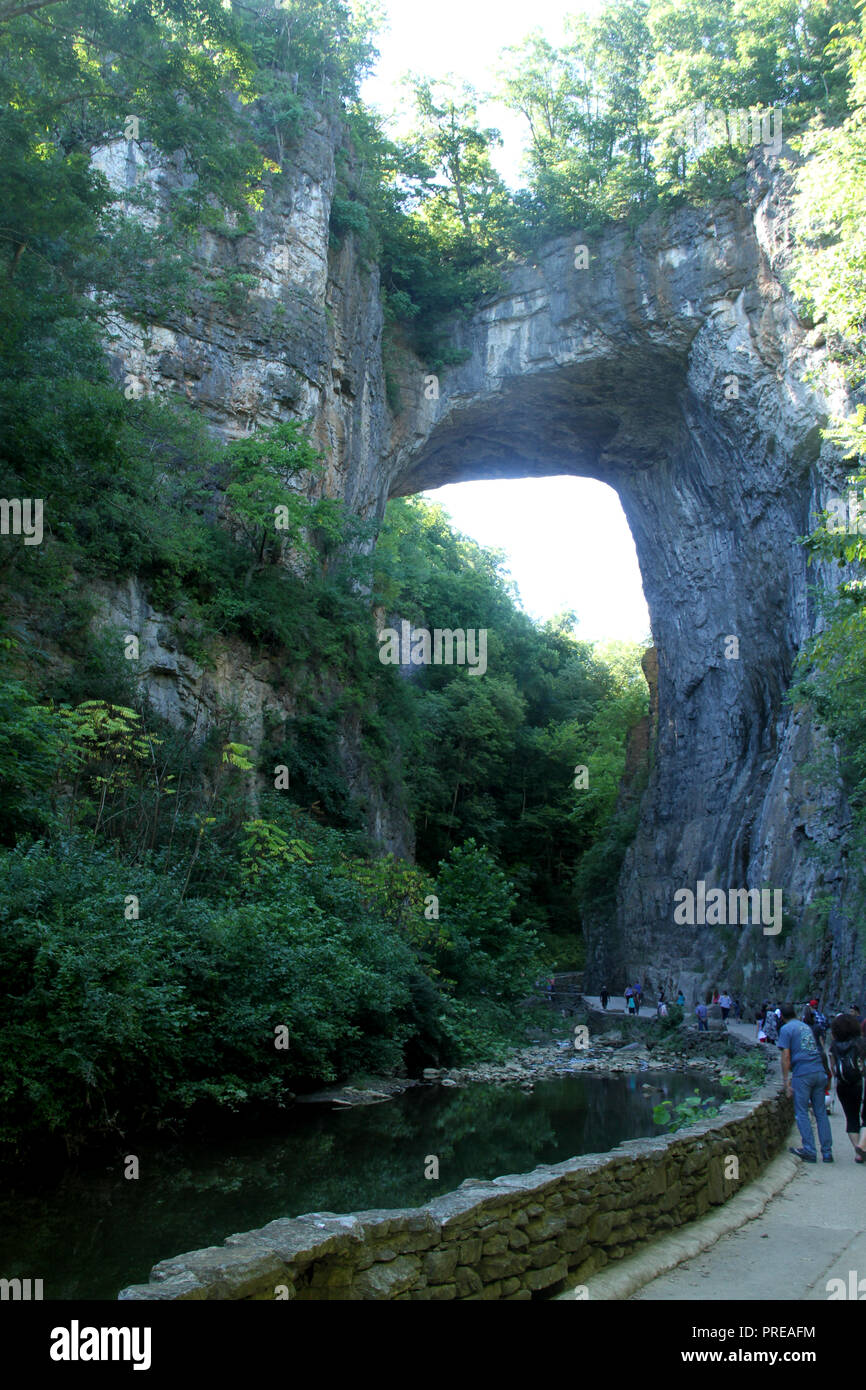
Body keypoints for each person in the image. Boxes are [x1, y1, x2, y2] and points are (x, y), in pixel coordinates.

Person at [778, 1002, 833, 1163]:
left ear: (781, 1016)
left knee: (801, 1111)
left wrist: (786, 1081)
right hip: (818, 1070)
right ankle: (827, 1152)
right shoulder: (805, 1027)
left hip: (803, 1074)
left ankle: (809, 1149)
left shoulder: (786, 1030)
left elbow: (786, 1057)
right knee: (821, 1112)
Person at [829, 1013, 866, 1163]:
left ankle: (858, 1151)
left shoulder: (834, 1046)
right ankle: (862, 1146)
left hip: (843, 1086)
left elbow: (833, 1068)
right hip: (860, 1083)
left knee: (851, 1118)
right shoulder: (861, 1043)